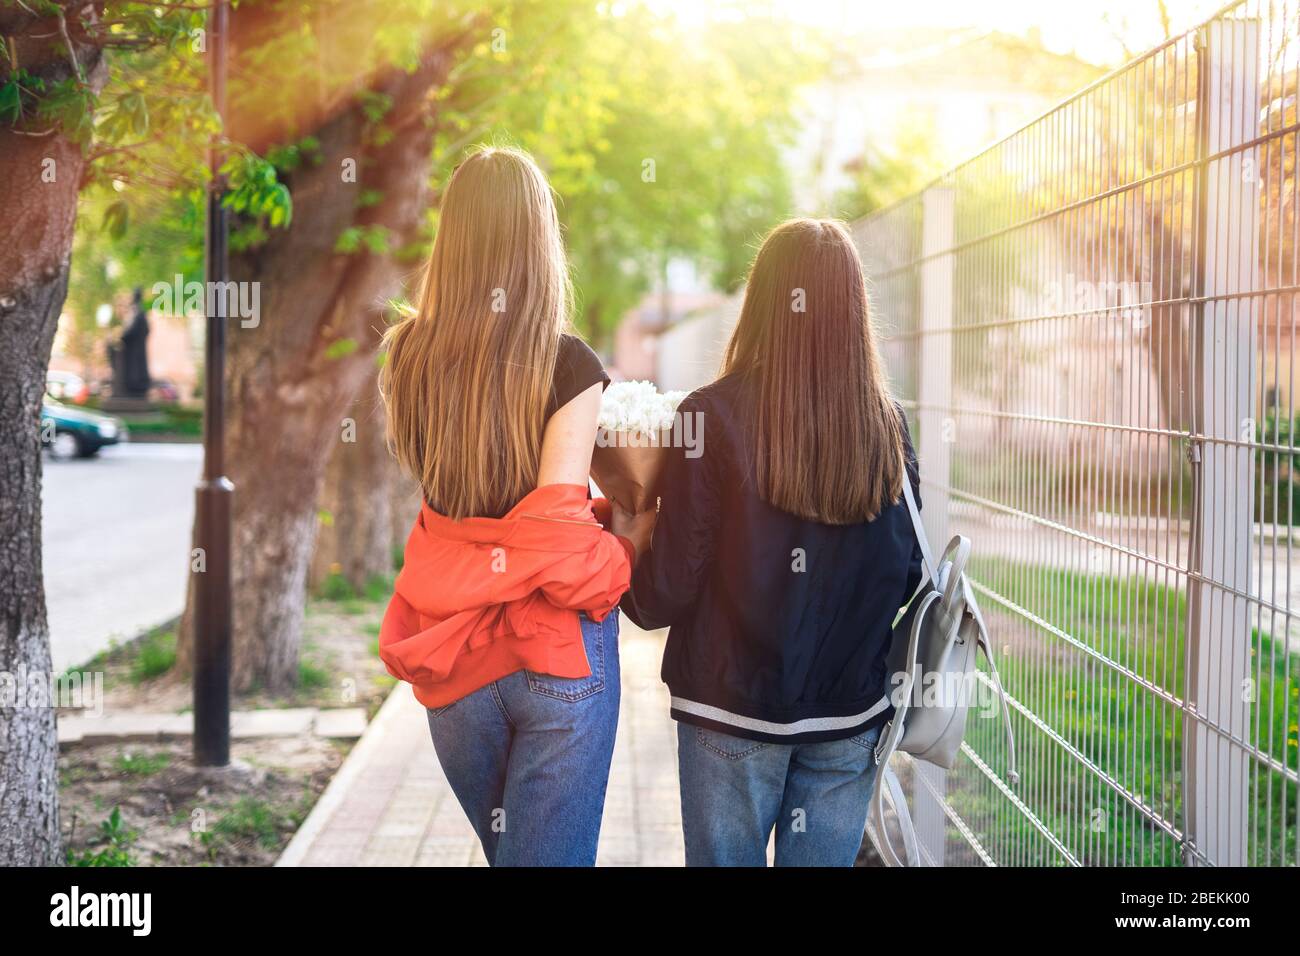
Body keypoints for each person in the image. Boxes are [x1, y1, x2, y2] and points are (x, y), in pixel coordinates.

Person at [616, 218, 925, 867]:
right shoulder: (886, 426)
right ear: (854, 307)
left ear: (761, 301)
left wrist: (631, 538)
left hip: (730, 715)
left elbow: (666, 591)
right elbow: (909, 569)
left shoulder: (708, 415)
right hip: (848, 717)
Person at [377, 147, 636, 866]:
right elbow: (557, 537)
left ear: (451, 238)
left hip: (453, 657)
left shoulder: (406, 355)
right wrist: (625, 551)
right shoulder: (571, 365)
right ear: (538, 240)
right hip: (552, 655)